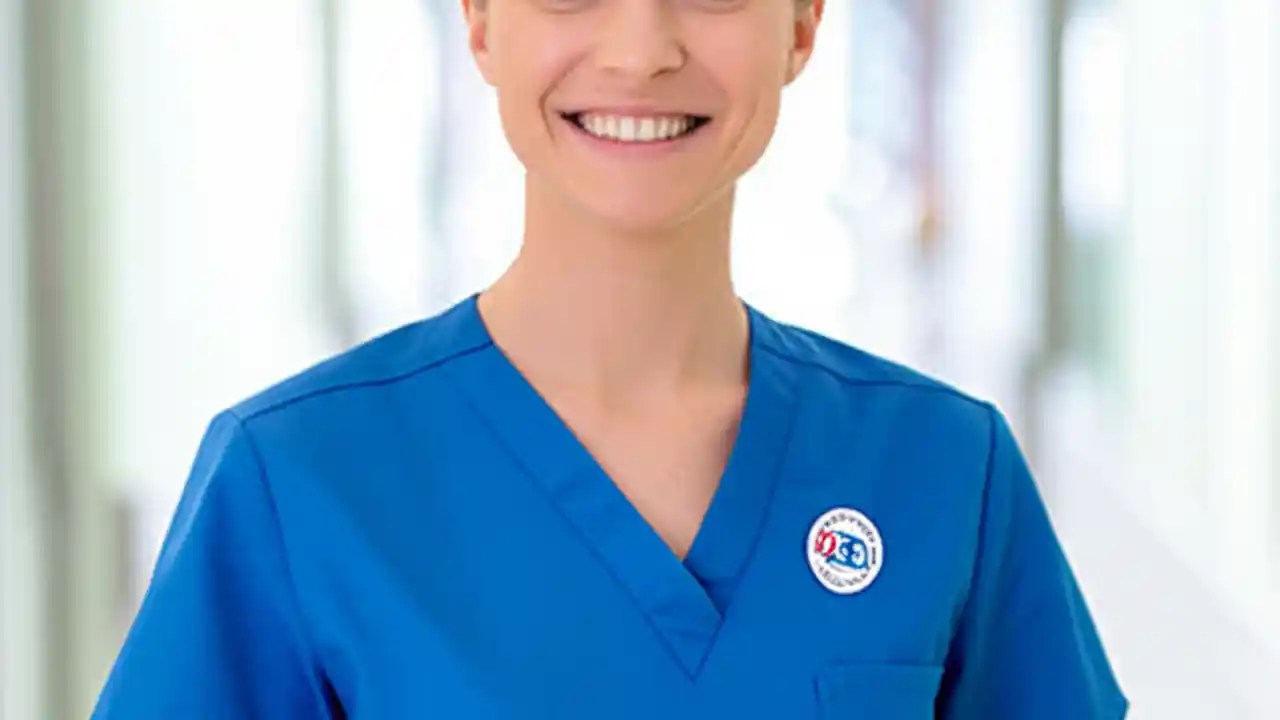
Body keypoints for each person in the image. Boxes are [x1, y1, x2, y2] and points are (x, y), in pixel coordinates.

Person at [91, 0, 1129, 717]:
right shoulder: (293, 483)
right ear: (481, 20)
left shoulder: (942, 471)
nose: (641, 49)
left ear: (804, 23)